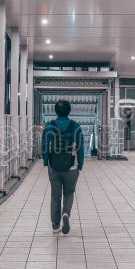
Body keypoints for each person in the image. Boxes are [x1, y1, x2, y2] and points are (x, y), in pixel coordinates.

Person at [41, 100, 84, 235]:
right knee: (69, 193)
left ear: (55, 111)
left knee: (55, 196)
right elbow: (80, 148)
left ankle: (55, 225)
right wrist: (80, 164)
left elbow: (44, 146)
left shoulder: (49, 126)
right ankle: (66, 213)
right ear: (69, 111)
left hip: (54, 166)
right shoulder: (76, 127)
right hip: (71, 167)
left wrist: (46, 161)